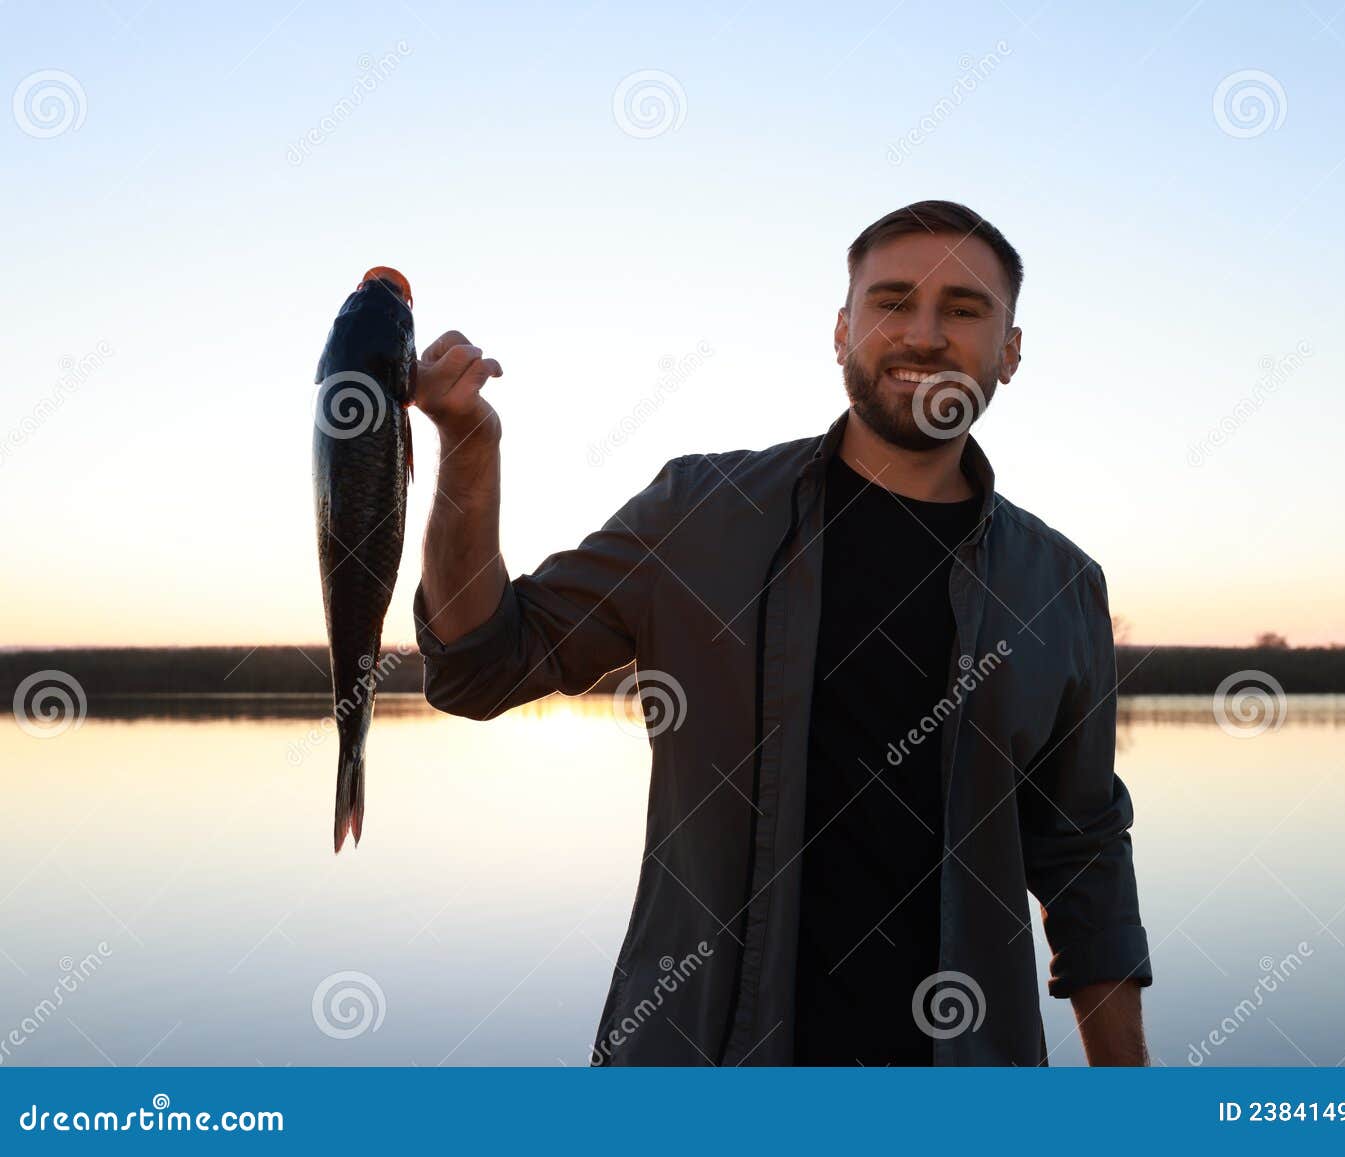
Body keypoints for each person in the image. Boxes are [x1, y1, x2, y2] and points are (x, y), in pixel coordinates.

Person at [412, 200, 1152, 1066]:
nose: (923, 334)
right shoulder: (698, 515)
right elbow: (482, 666)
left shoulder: (1062, 586)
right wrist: (468, 449)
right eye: (891, 302)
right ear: (841, 332)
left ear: (1011, 351)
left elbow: (1084, 860)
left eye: (963, 309)